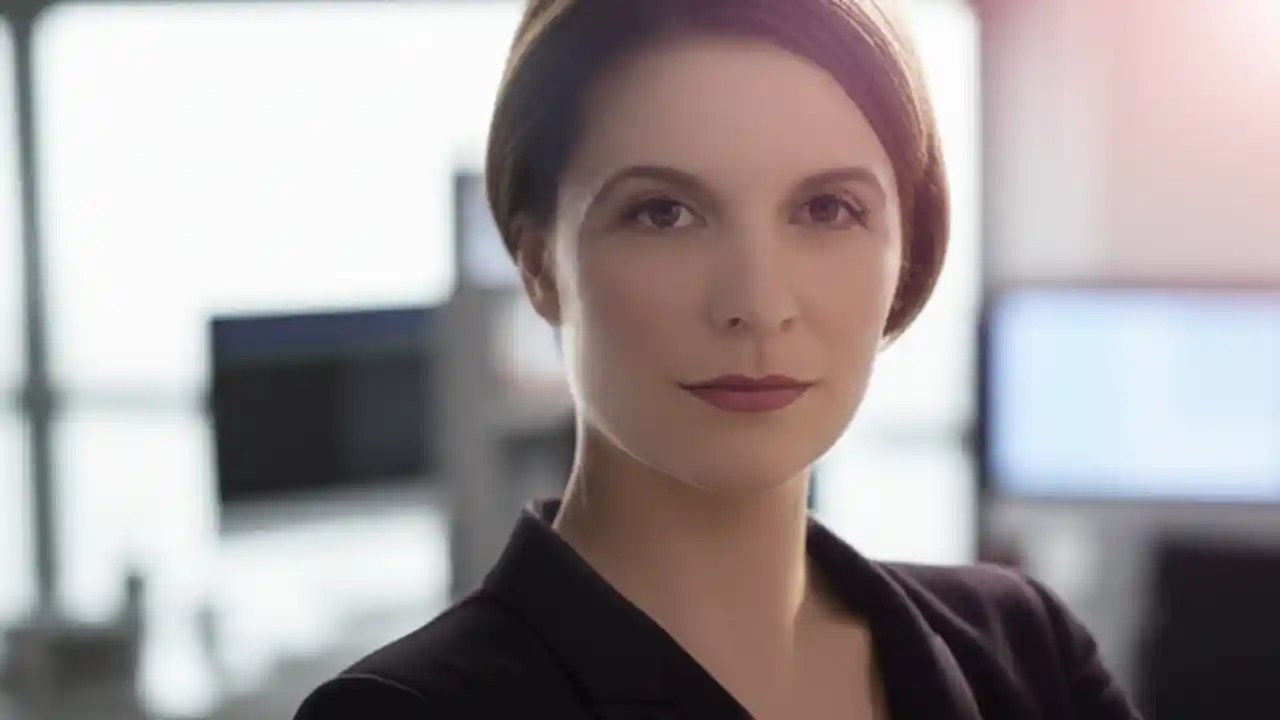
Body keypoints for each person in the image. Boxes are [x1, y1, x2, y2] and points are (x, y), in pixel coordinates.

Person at [295, 0, 1142, 717]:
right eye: (663, 213)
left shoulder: (1026, 655)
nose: (758, 303)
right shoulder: (408, 709)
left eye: (826, 208)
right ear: (540, 264)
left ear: (907, 252)